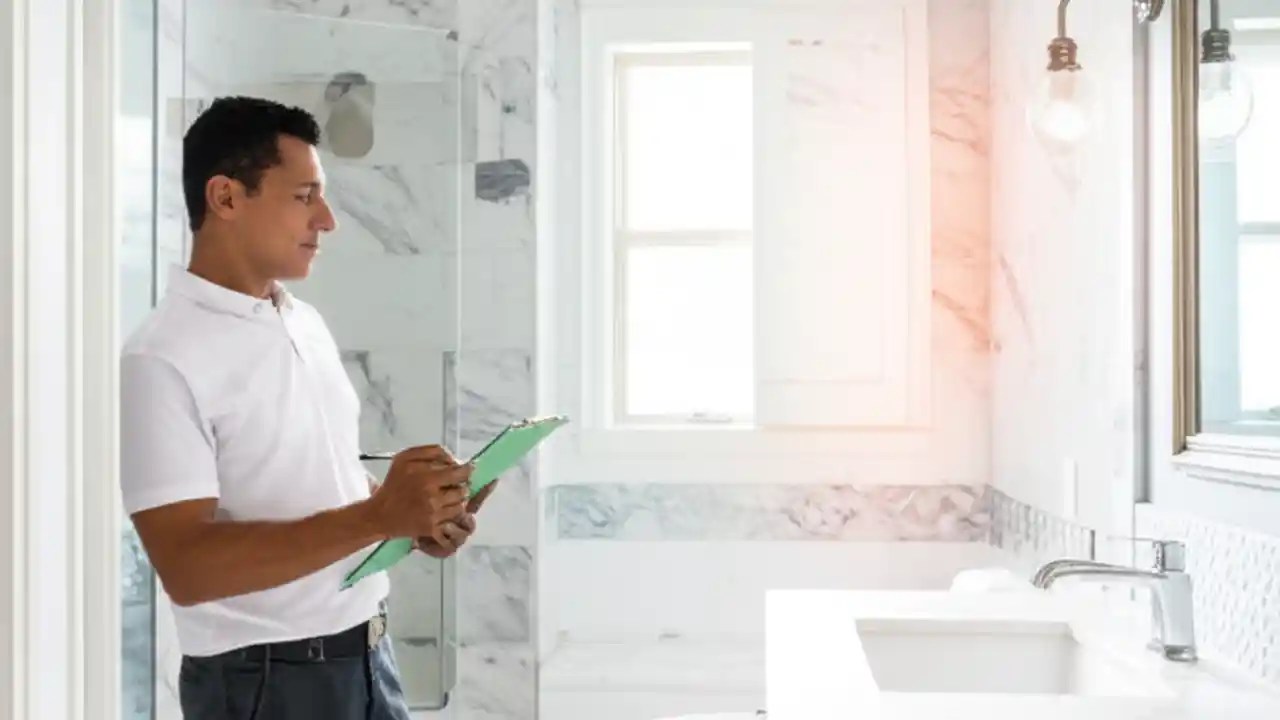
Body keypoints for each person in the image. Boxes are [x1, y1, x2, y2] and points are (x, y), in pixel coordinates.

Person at [120, 96, 489, 720]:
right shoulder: (162, 358)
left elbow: (319, 482)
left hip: (370, 660)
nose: (328, 220)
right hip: (266, 685)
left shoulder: (302, 321)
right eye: (304, 196)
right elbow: (186, 567)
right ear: (226, 198)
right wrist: (378, 515)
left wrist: (414, 520)